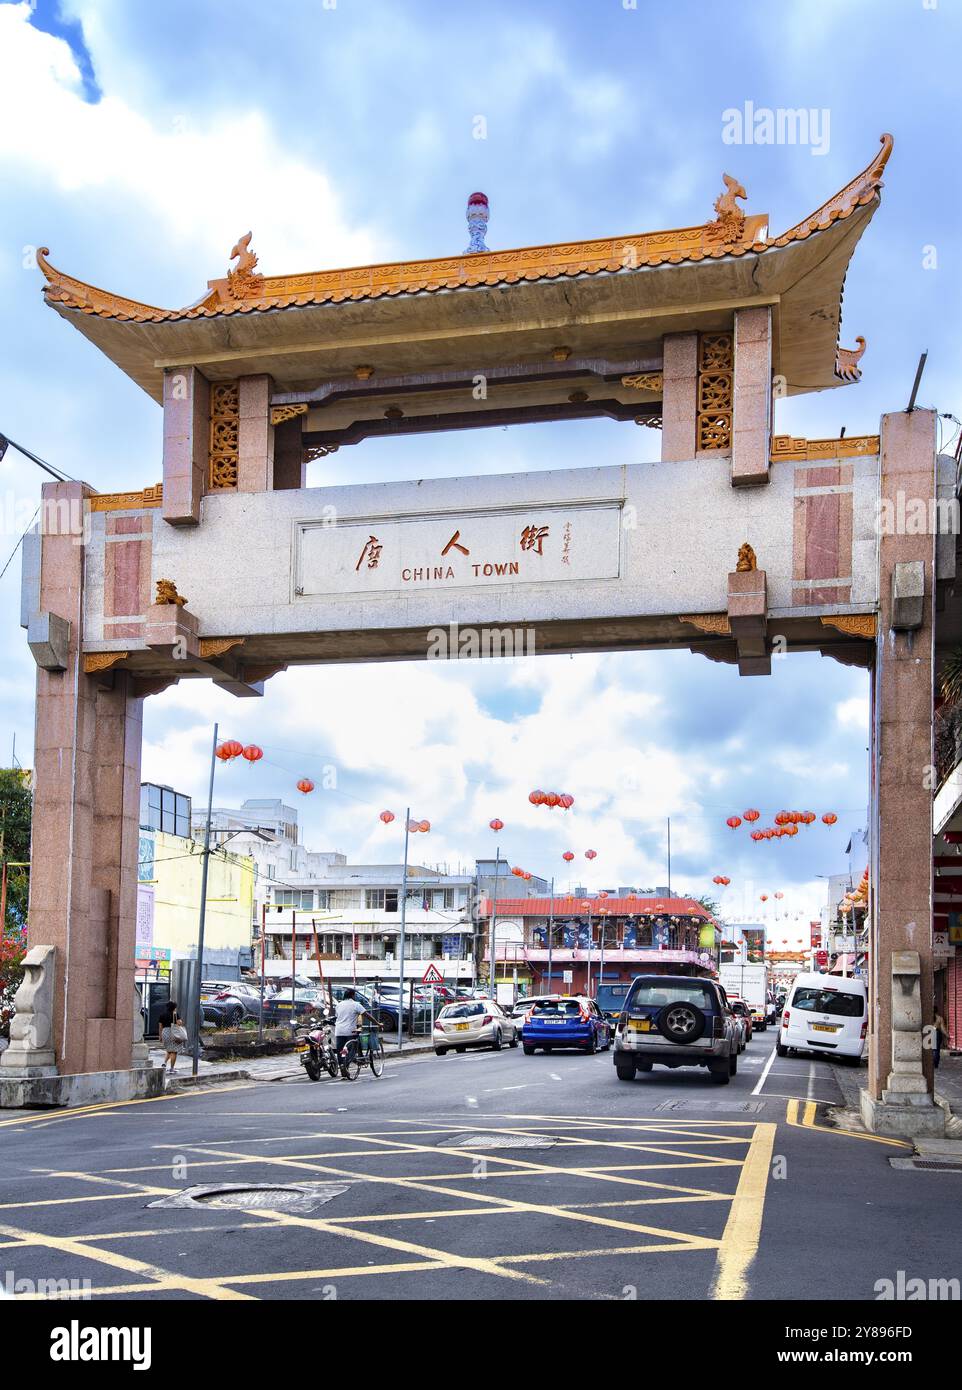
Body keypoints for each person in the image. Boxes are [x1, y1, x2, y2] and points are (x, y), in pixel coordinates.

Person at [334, 989, 371, 1078]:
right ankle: (345, 1065)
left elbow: (337, 1016)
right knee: (351, 1050)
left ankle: (342, 1067)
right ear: (352, 995)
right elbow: (367, 1015)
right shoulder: (356, 1005)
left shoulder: (338, 1005)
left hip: (339, 1031)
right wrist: (377, 1023)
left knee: (341, 1051)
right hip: (350, 1031)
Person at [159, 1000, 188, 1073]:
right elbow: (179, 1023)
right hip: (173, 1033)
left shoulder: (162, 1014)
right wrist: (179, 1021)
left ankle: (164, 1063)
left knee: (169, 1049)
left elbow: (160, 1027)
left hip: (165, 1032)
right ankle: (172, 1069)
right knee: (174, 1052)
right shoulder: (175, 1014)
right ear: (174, 1007)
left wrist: (160, 1036)